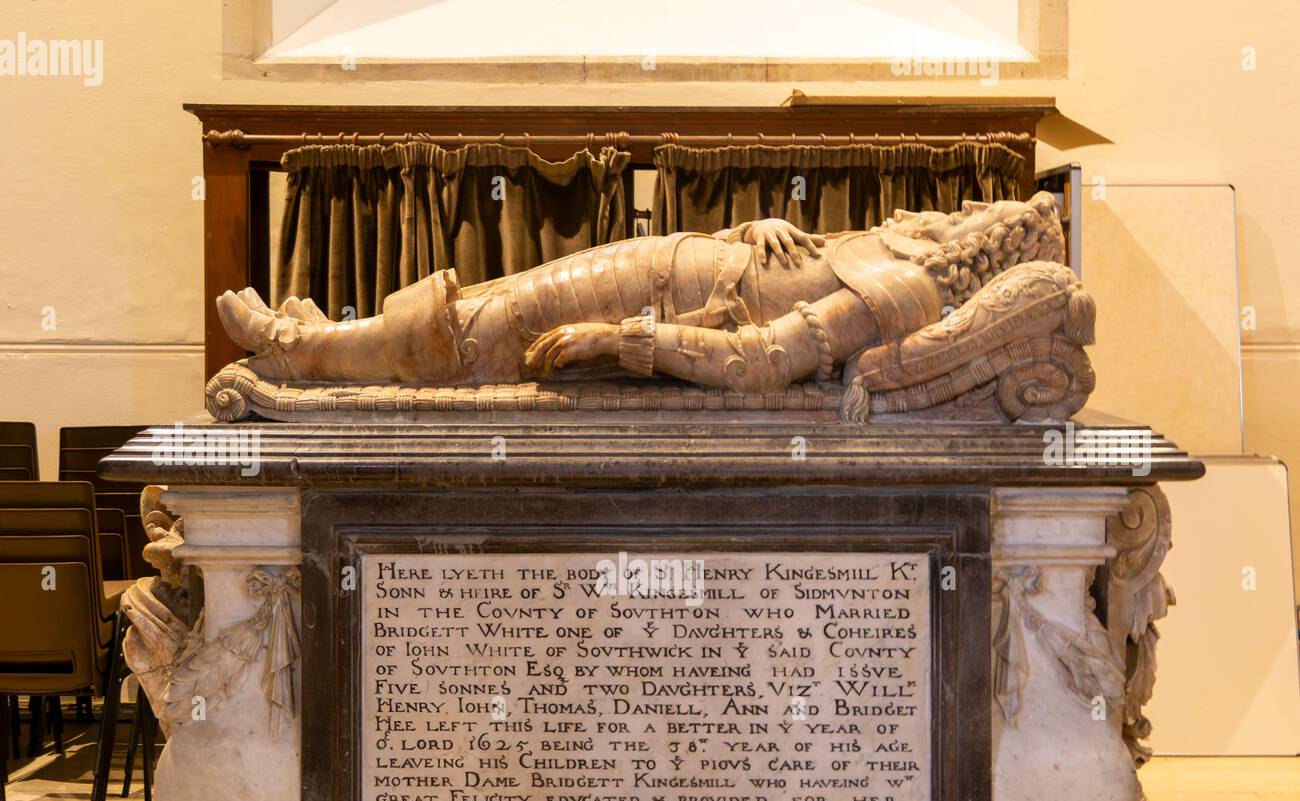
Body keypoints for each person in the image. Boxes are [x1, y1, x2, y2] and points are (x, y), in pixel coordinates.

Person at [217, 191, 1068, 395]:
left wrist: (624, 341)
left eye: (977, 212)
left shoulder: (910, 294)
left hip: (659, 311)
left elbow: (767, 358)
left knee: (481, 338)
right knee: (486, 295)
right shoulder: (899, 238)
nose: (961, 208)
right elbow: (802, 263)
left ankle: (305, 356)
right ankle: (326, 339)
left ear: (988, 245)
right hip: (669, 257)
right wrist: (754, 227)